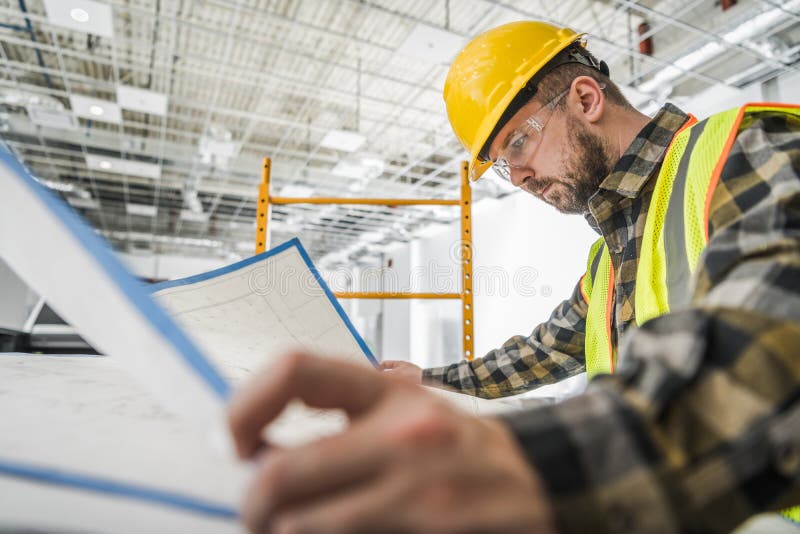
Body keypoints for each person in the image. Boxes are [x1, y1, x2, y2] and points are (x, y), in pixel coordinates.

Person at [229, 21, 800, 532]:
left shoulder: (743, 150)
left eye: (520, 142)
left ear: (586, 98)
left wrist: (539, 466)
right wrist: (430, 379)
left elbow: (773, 341)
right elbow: (543, 352)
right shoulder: (608, 258)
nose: (520, 176)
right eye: (505, 164)